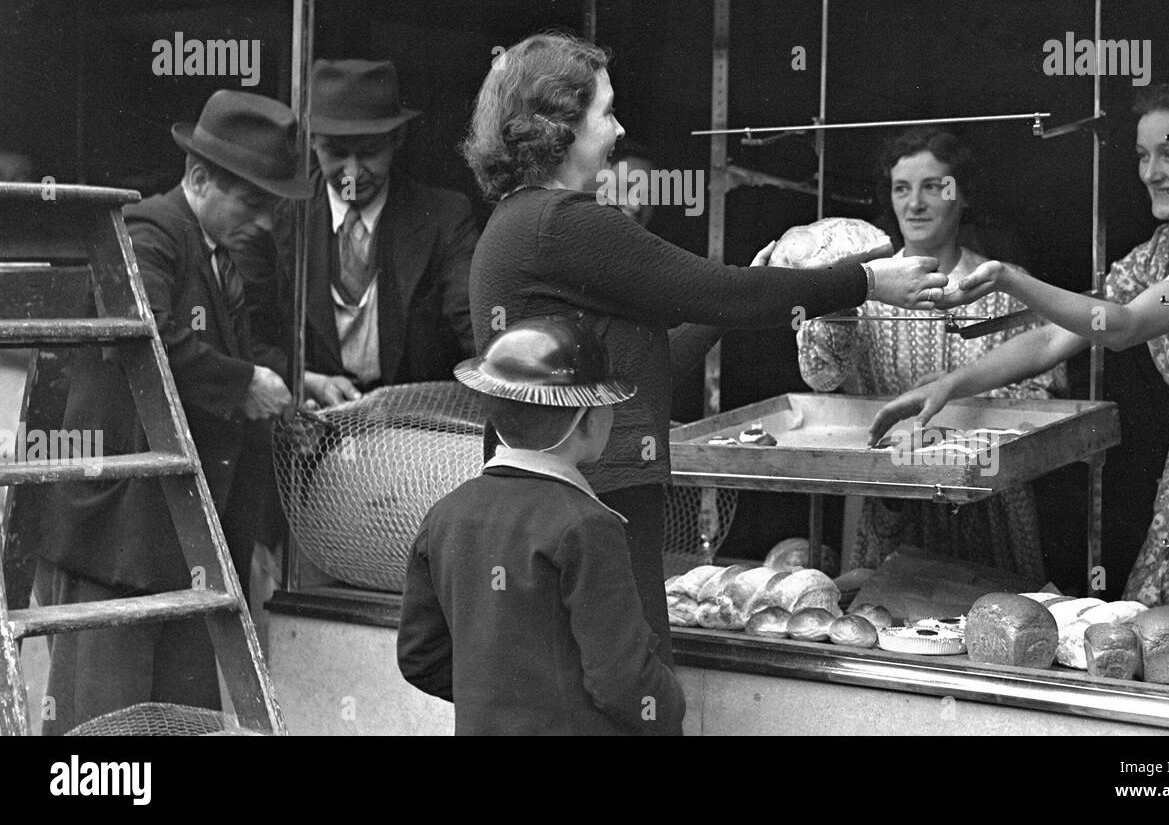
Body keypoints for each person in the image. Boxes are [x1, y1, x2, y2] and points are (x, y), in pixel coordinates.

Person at [461, 30, 950, 664]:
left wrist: (737, 295)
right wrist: (866, 279)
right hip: (588, 499)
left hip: (588, 493)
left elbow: (655, 358)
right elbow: (717, 291)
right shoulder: (562, 221)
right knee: (628, 677)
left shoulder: (531, 221)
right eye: (605, 112)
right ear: (560, 125)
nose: (616, 130)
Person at [869, 85, 1169, 613]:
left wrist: (1010, 278)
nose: (1152, 172)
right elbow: (1055, 337)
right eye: (1143, 156)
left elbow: (1122, 325)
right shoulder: (1161, 250)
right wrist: (946, 386)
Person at [34, 90, 308, 733]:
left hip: (175, 535)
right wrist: (242, 383)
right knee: (102, 729)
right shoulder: (151, 232)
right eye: (253, 201)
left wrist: (292, 380)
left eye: (272, 207)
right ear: (199, 178)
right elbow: (139, 334)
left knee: (178, 721)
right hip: (119, 533)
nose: (265, 222)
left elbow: (212, 347)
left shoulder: (211, 249)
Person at [397, 315, 685, 735]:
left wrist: (505, 705)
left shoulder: (446, 513)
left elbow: (420, 657)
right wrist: (673, 705)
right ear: (585, 418)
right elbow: (623, 680)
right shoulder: (587, 524)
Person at [797, 128, 1063, 581]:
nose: (914, 204)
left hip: (987, 496)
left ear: (962, 197)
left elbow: (1044, 394)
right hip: (892, 492)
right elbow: (819, 378)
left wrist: (957, 394)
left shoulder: (1004, 283)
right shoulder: (864, 289)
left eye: (932, 187)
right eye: (902, 189)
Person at [244, 58, 478, 406]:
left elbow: (472, 323)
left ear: (397, 139)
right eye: (336, 153)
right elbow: (247, 337)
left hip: (411, 425)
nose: (352, 173)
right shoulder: (272, 220)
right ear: (311, 142)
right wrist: (305, 381)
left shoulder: (446, 217)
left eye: (369, 152)